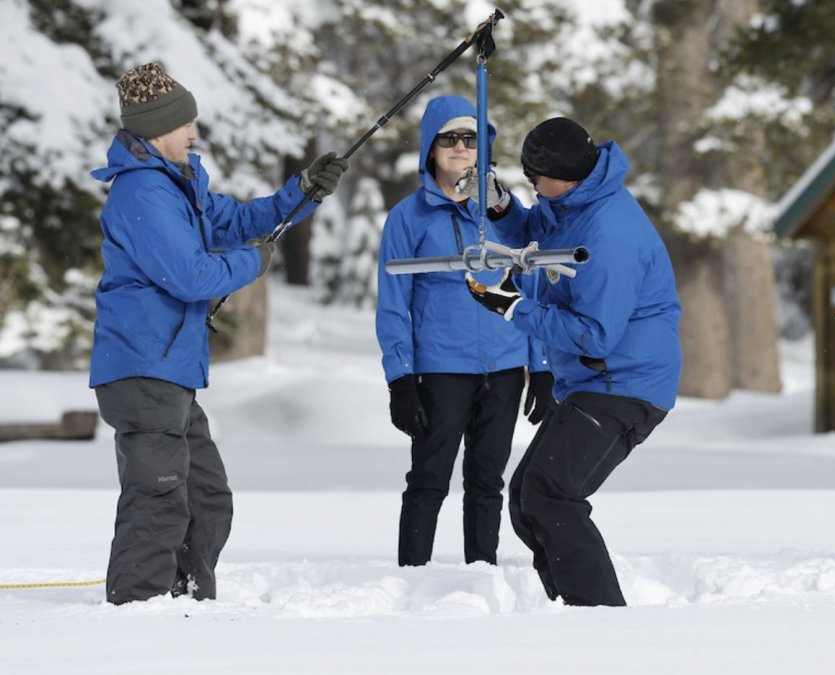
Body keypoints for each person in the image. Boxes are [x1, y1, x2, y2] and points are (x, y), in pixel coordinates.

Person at [90, 63, 348, 604]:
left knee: (207, 498)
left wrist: (301, 193)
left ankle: (185, 603)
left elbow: (232, 222)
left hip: (171, 370)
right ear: (157, 130)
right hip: (143, 369)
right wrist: (252, 265)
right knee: (157, 498)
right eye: (186, 125)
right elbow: (190, 276)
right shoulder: (142, 195)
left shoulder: (178, 185)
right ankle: (137, 613)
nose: (194, 133)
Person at [466, 117, 682, 606]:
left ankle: (602, 616)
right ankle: (571, 606)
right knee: (526, 498)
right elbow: (534, 233)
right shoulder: (568, 203)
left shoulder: (610, 236)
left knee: (550, 495)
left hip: (625, 383)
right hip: (592, 382)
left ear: (561, 175)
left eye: (532, 178)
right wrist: (499, 206)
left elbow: (596, 336)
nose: (531, 188)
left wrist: (513, 306)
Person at [375, 95, 554, 567]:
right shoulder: (408, 217)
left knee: (486, 480)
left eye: (470, 139)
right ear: (430, 148)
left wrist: (542, 367)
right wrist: (399, 378)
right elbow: (394, 307)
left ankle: (482, 574)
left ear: (485, 147)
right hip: (441, 369)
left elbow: (530, 287)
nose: (459, 147)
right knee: (430, 477)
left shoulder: (504, 214)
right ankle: (413, 576)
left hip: (506, 365)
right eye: (449, 138)